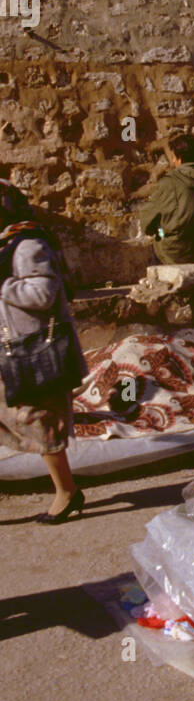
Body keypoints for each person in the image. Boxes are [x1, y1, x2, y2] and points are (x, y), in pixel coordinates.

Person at [0, 181, 89, 523]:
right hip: (12, 348)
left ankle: (66, 492)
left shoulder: (26, 244)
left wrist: (2, 284)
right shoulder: (6, 244)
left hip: (34, 350)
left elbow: (44, 293)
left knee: (39, 421)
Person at [138, 133, 194, 265]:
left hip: (178, 254)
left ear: (179, 158)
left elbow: (147, 224)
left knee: (158, 248)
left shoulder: (169, 183)